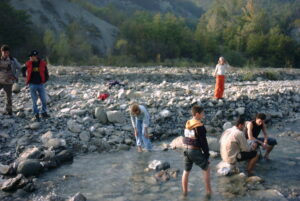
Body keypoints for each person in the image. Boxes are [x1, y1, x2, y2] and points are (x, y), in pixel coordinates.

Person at [181, 105, 212, 196]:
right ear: (197, 114)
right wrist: (207, 156)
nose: (203, 115)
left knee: (186, 171)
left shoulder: (188, 123)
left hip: (186, 150)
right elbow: (203, 142)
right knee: (207, 168)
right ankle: (208, 192)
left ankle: (185, 192)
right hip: (194, 151)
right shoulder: (199, 126)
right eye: (202, 113)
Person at [22, 50, 49, 121]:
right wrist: (24, 77)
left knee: (44, 100)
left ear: (35, 56)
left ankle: (44, 112)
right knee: (34, 100)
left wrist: (45, 80)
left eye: (31, 56)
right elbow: (23, 69)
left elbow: (46, 73)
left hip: (40, 84)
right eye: (30, 57)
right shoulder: (28, 63)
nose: (30, 58)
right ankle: (36, 114)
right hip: (32, 84)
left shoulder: (42, 63)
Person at [0, 45, 21, 115]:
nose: (6, 54)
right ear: (1, 52)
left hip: (8, 81)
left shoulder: (13, 60)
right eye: (4, 52)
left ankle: (9, 111)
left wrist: (15, 76)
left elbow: (19, 67)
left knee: (8, 97)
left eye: (7, 52)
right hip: (0, 80)